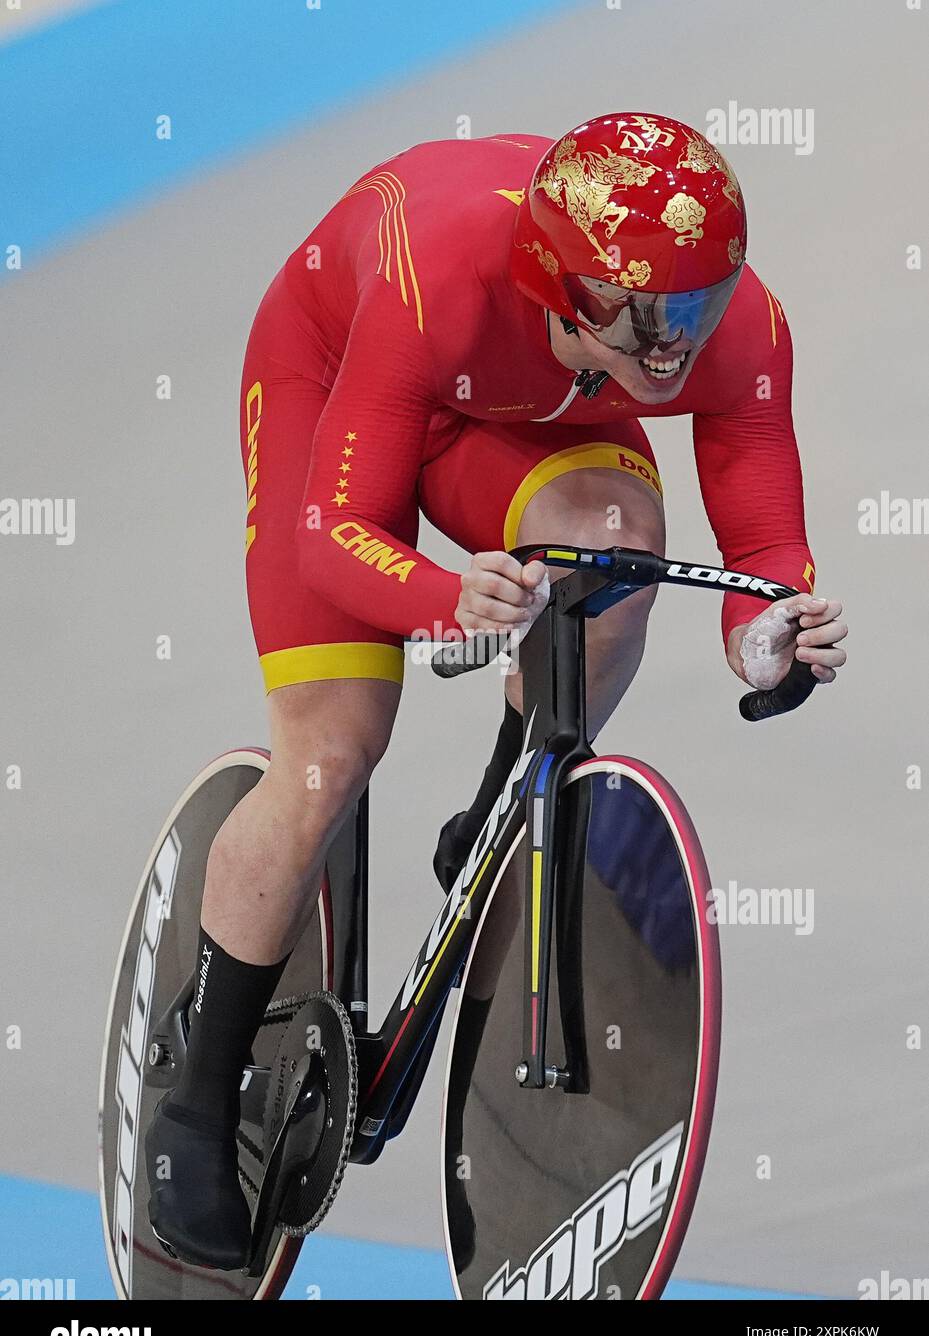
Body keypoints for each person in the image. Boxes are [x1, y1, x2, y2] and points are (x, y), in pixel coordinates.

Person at [145, 112, 847, 1269]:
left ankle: (492, 808)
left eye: (696, 307)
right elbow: (333, 536)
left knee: (616, 554)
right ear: (559, 285)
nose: (672, 348)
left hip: (523, 404)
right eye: (644, 317)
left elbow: (762, 527)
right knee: (330, 755)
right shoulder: (440, 286)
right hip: (339, 377)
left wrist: (760, 630)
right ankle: (196, 1097)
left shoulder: (723, 323)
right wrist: (436, 595)